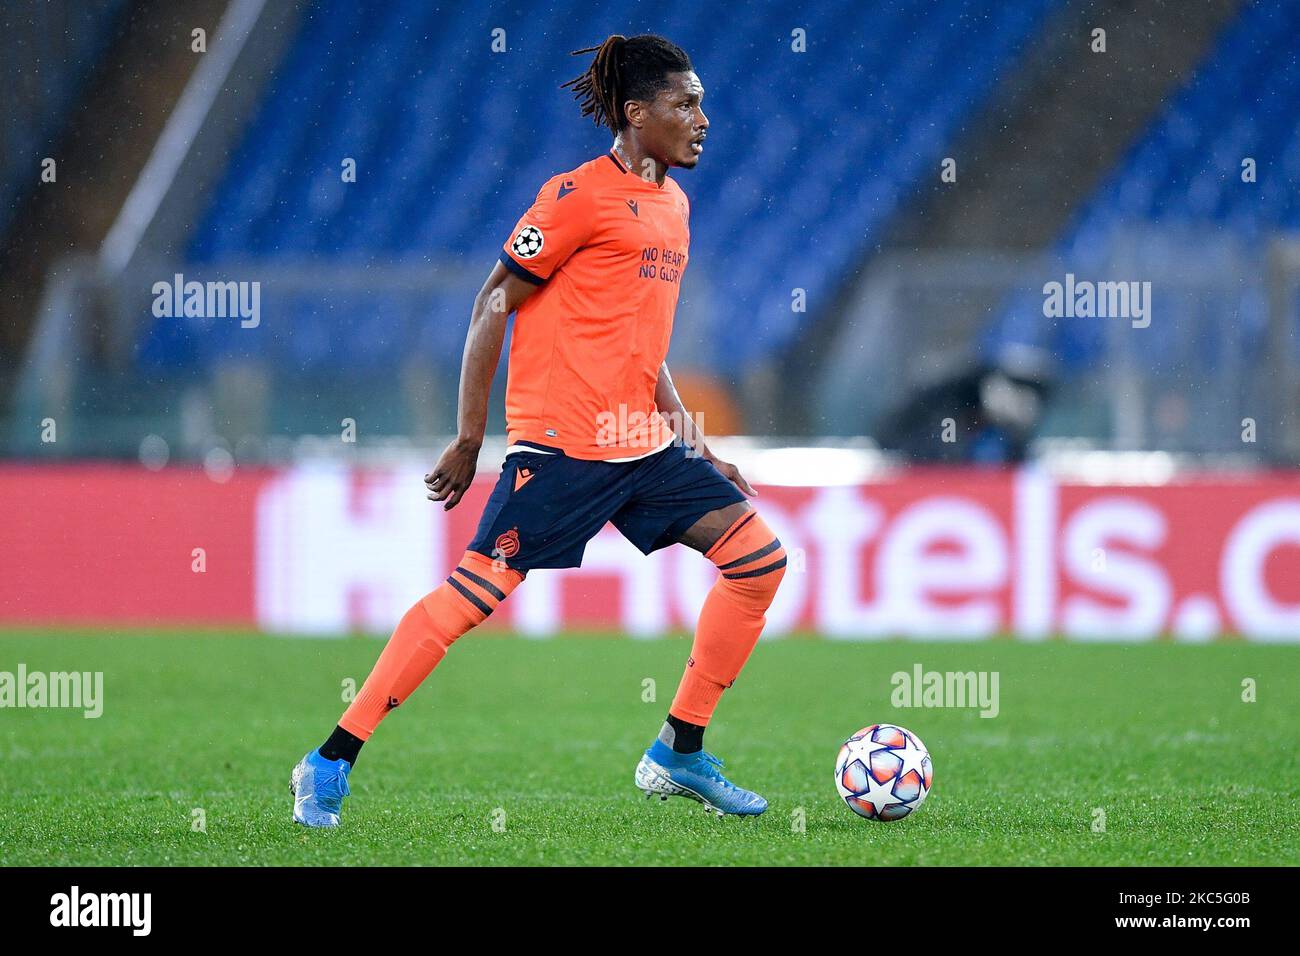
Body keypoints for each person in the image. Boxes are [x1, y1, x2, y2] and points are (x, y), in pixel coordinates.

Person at [291, 34, 786, 826]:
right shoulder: (574, 198)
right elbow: (493, 302)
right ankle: (327, 762)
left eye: (700, 102)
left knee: (758, 560)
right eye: (685, 103)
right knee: (470, 600)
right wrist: (468, 435)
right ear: (636, 113)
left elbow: (641, 346)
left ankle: (678, 751)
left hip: (643, 446)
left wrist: (694, 443)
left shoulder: (675, 206)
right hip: (561, 449)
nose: (703, 118)